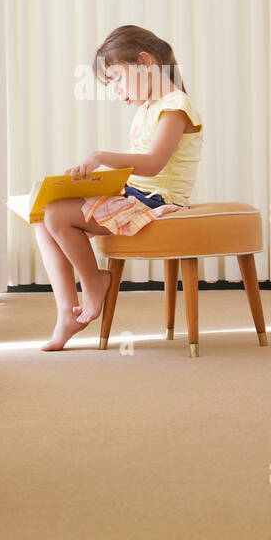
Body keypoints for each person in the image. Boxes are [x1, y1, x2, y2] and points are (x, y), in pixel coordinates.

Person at [36, 25, 203, 351]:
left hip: (157, 202)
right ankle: (66, 312)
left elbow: (154, 164)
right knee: (43, 215)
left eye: (116, 78)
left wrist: (100, 158)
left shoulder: (176, 106)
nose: (114, 89)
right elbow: (140, 171)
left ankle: (94, 282)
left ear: (145, 62)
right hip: (135, 195)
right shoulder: (148, 108)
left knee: (56, 214)